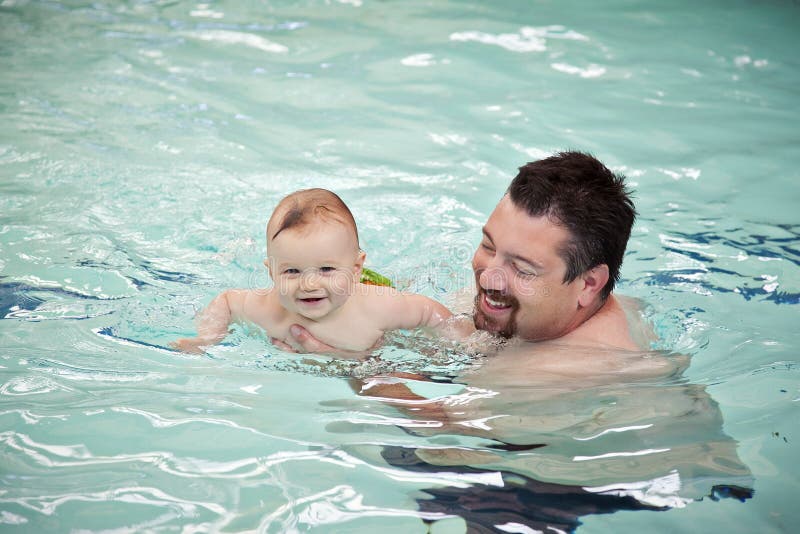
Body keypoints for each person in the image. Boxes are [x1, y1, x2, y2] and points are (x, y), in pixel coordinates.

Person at [280, 151, 642, 353]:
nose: (488, 277)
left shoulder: (576, 372)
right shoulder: (543, 308)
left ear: (589, 284)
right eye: (488, 245)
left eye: (524, 269)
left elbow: (443, 442)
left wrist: (356, 364)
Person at [172, 188, 451, 354]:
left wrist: (460, 339)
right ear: (271, 273)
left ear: (356, 268)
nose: (308, 284)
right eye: (291, 271)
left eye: (326, 269)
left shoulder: (378, 307)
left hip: (368, 286)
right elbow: (227, 301)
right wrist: (207, 338)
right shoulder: (267, 309)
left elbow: (428, 312)